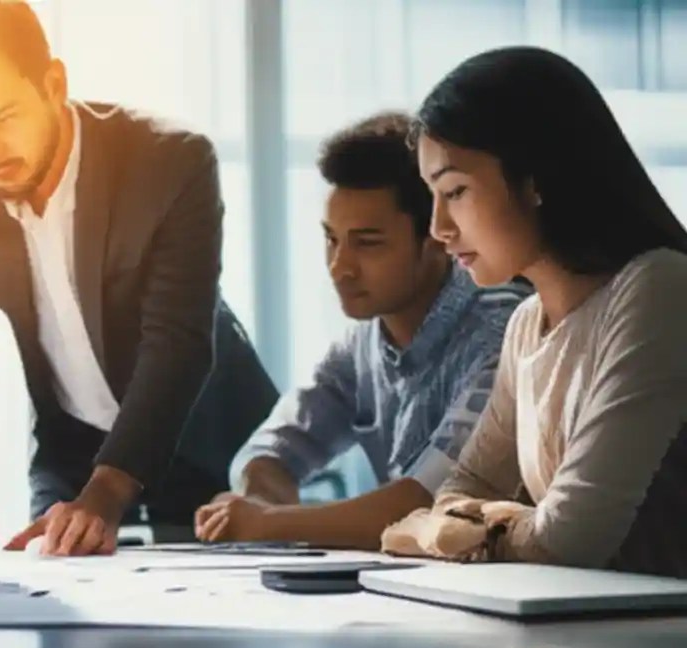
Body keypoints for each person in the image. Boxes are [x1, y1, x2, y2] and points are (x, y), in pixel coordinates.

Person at [0, 0, 278, 556]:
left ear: (54, 85)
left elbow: (176, 343)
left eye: (4, 118)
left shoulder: (169, 162)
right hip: (71, 455)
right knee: (54, 585)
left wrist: (106, 494)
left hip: (207, 446)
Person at [381, 47, 687, 578]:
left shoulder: (657, 288)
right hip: (587, 624)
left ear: (535, 180)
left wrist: (472, 530)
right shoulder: (527, 325)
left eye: (455, 191)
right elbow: (461, 490)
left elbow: (569, 540)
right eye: (433, 195)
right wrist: (488, 523)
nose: (438, 228)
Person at [195, 112, 527, 549]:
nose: (340, 268)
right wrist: (259, 499)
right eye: (332, 240)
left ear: (436, 239)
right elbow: (268, 450)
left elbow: (430, 504)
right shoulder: (363, 342)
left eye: (367, 243)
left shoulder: (501, 329)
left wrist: (270, 523)